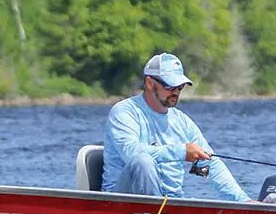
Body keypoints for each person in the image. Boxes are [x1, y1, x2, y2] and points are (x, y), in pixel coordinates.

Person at [102, 52, 251, 201]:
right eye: (169, 86)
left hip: (170, 202)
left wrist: (244, 201)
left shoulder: (182, 121)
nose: (175, 92)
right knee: (143, 161)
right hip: (119, 202)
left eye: (180, 87)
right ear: (149, 83)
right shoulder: (124, 111)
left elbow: (212, 164)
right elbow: (131, 152)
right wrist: (181, 151)